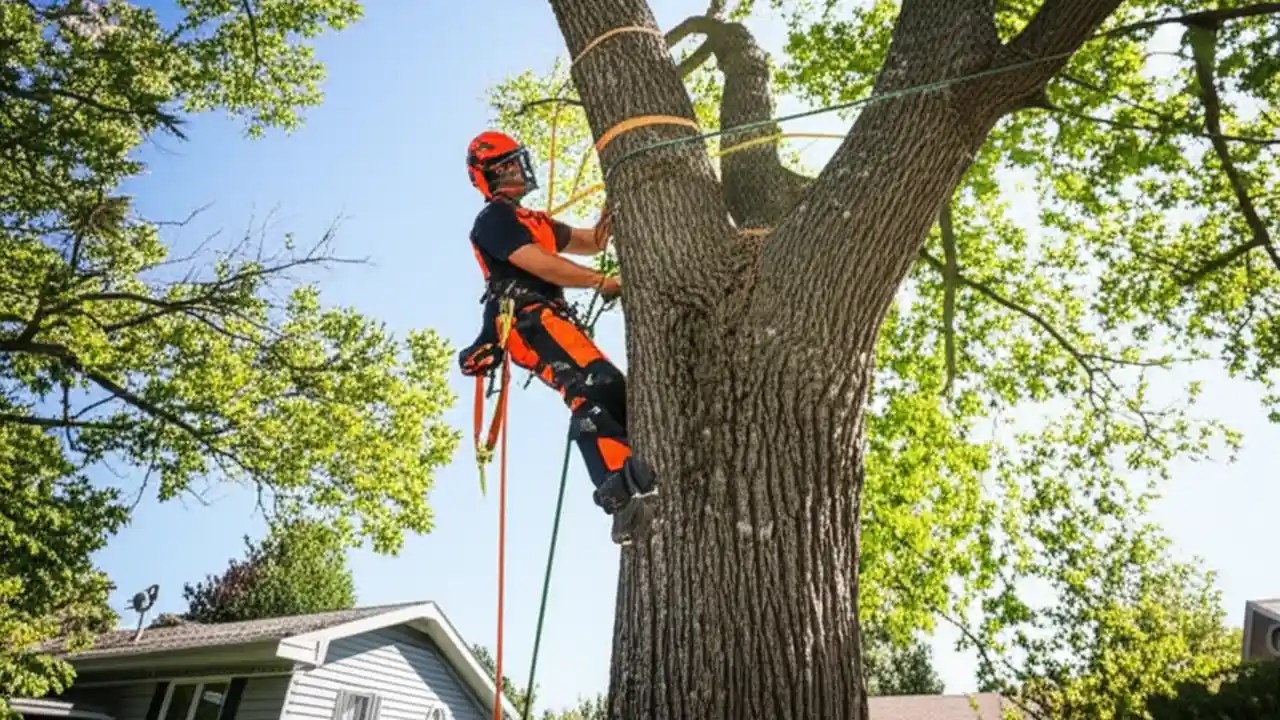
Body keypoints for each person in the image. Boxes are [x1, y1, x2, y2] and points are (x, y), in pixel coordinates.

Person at [457, 130, 657, 545]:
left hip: (552, 318)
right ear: (488, 176)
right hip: (527, 319)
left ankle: (631, 471)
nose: (517, 169)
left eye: (516, 161)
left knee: (613, 388)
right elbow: (541, 265)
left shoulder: (536, 221)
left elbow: (592, 242)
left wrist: (612, 206)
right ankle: (617, 496)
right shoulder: (493, 220)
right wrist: (599, 281)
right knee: (592, 387)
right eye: (506, 165)